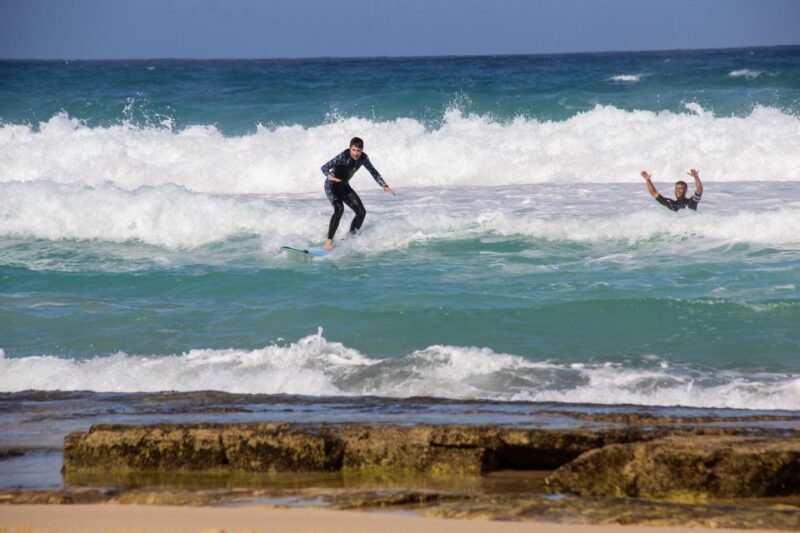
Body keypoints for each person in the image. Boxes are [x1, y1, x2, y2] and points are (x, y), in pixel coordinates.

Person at [320, 137, 395, 250]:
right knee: (339, 209)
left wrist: (384, 185)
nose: (356, 153)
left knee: (361, 212)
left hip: (344, 186)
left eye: (358, 151)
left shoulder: (363, 158)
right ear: (350, 148)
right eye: (353, 150)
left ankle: (350, 239)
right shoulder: (343, 157)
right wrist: (330, 176)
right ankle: (329, 242)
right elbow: (324, 167)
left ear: (362, 150)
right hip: (331, 186)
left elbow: (373, 171)